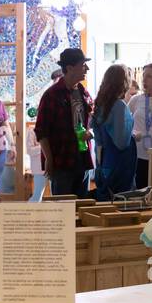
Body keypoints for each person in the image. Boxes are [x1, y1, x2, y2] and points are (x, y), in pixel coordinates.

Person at [34, 48, 94, 197]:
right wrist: (48, 158)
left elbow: (92, 121)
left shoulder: (83, 93)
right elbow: (41, 130)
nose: (87, 68)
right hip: (62, 160)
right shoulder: (51, 95)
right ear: (69, 68)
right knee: (63, 209)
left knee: (82, 206)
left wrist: (91, 132)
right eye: (83, 65)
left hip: (82, 158)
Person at [92, 64, 137, 200]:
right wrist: (134, 135)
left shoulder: (101, 104)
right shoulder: (118, 106)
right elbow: (121, 142)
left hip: (104, 163)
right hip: (118, 165)